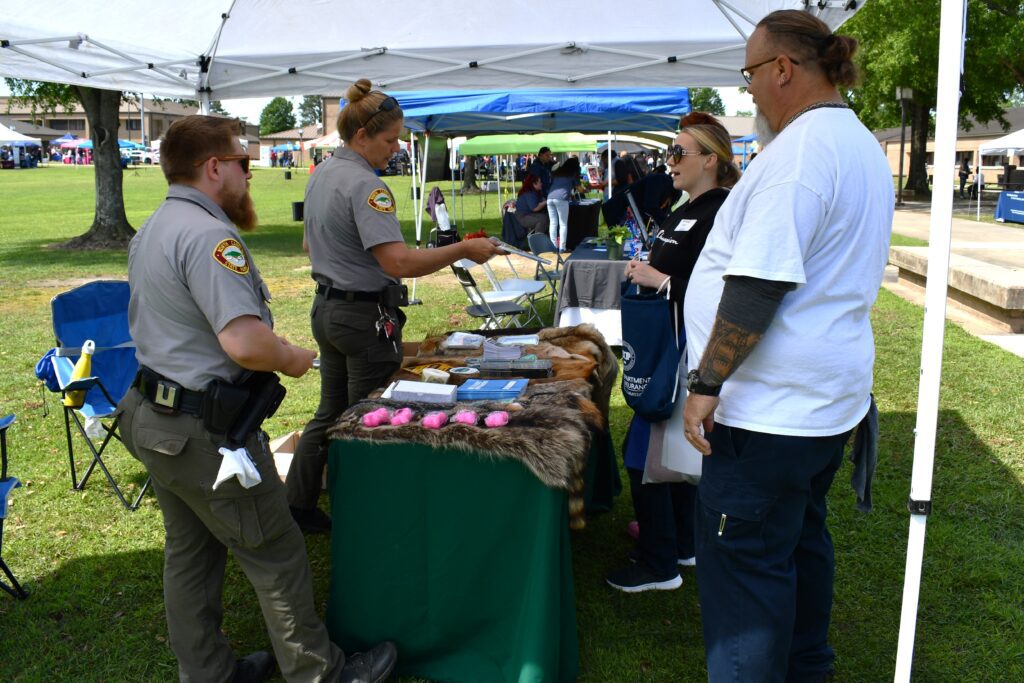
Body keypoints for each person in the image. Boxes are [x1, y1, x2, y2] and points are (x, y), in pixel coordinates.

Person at [117, 115, 397, 683]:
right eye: (243, 163)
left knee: (191, 552)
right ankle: (320, 672)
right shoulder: (208, 236)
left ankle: (207, 672)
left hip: (154, 418)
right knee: (275, 551)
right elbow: (244, 342)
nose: (250, 173)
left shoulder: (155, 227)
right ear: (213, 167)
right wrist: (292, 357)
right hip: (202, 431)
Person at [681, 11, 893, 682]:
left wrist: (705, 385)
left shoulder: (800, 153)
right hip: (818, 405)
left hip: (767, 415)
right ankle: (807, 667)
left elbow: (755, 288)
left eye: (749, 76)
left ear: (783, 69)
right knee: (798, 543)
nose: (748, 93)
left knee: (745, 575)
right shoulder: (853, 140)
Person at [287, 79, 504, 533]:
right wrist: (463, 251)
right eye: (389, 141)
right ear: (362, 135)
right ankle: (366, 515)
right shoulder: (367, 185)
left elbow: (310, 244)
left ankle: (300, 506)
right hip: (362, 316)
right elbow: (399, 261)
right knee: (368, 420)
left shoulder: (323, 173)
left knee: (330, 413)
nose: (395, 150)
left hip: (328, 308)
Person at [607, 113, 741, 593]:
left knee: (643, 455)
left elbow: (725, 291)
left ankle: (658, 562)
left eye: (679, 153)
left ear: (711, 159)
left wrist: (659, 279)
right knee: (671, 453)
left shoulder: (721, 212)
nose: (670, 162)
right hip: (666, 343)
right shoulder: (686, 207)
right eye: (669, 152)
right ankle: (682, 545)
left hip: (686, 353)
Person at [546, 156, 585, 251]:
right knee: (563, 224)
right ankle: (562, 248)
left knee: (553, 223)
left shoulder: (558, 173)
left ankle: (553, 246)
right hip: (561, 199)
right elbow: (580, 189)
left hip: (550, 198)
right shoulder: (573, 174)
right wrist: (586, 189)